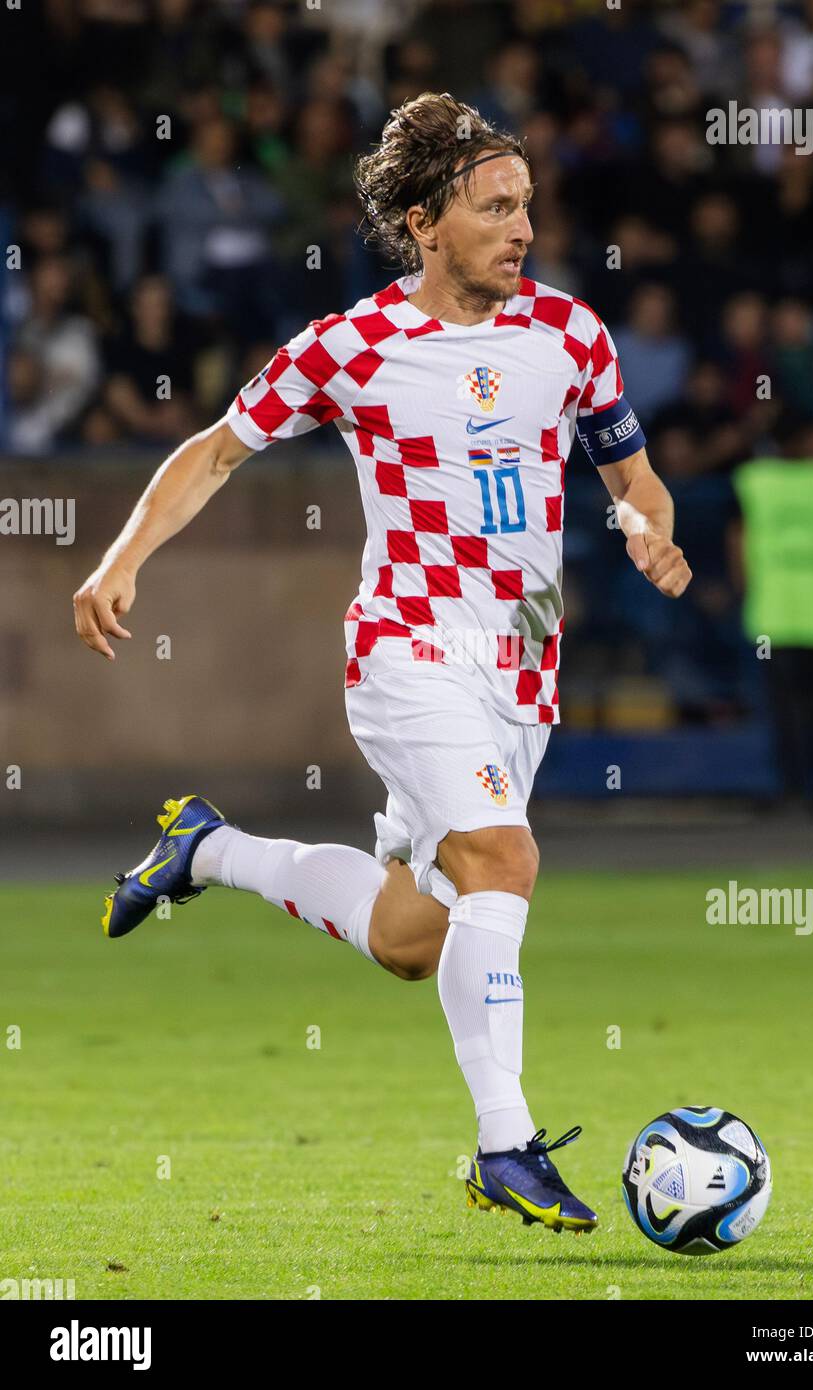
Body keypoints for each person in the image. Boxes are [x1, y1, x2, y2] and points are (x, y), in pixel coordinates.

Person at [72, 93, 692, 1235]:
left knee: (416, 938)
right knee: (504, 859)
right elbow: (215, 452)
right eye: (494, 207)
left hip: (521, 673)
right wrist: (123, 558)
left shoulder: (572, 336)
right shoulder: (351, 347)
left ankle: (208, 851)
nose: (522, 227)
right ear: (424, 221)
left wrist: (650, 525)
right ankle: (504, 1145)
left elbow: (630, 474)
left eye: (527, 206)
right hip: (409, 650)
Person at [729, 414, 813, 812]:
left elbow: (738, 539)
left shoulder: (752, 480)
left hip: (771, 608)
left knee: (782, 707)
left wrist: (743, 585)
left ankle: (789, 786)